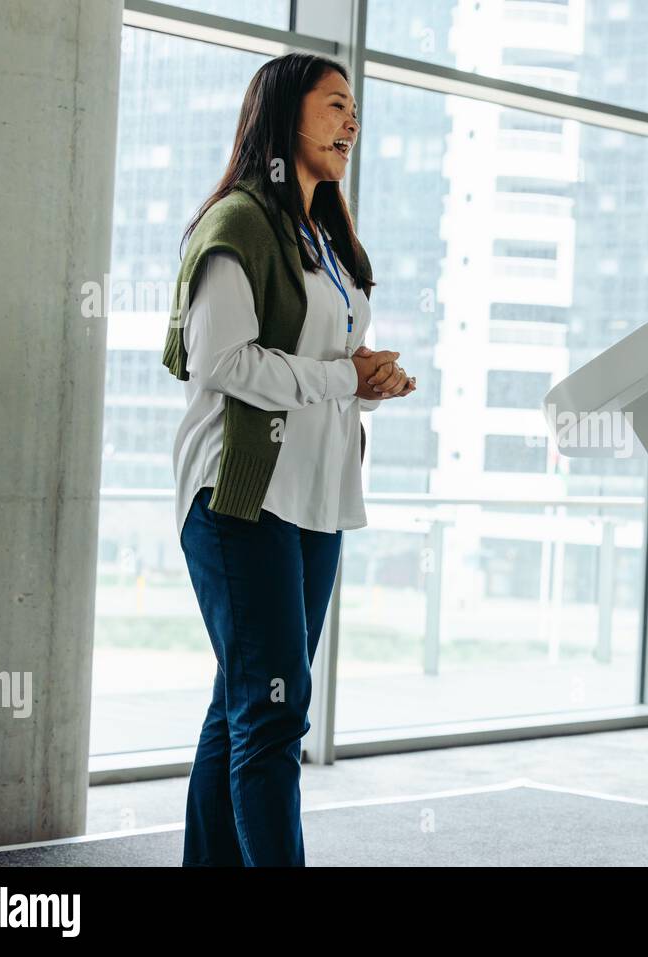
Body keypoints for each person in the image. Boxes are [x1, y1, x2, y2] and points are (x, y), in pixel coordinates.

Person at [160, 52, 412, 866]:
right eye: (336, 105)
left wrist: (369, 379)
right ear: (283, 115)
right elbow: (222, 363)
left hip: (314, 501)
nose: (352, 122)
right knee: (273, 716)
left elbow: (321, 363)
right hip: (241, 501)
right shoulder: (235, 224)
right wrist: (343, 375)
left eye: (355, 110)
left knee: (247, 708)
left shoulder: (326, 239)